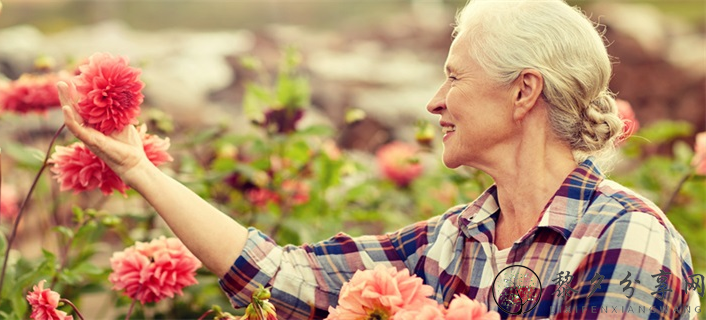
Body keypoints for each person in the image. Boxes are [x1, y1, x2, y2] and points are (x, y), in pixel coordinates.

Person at [57, 0, 699, 318]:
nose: (432, 102)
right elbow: (281, 276)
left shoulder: (627, 237)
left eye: (454, 79)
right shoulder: (454, 239)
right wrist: (138, 167)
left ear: (523, 91)